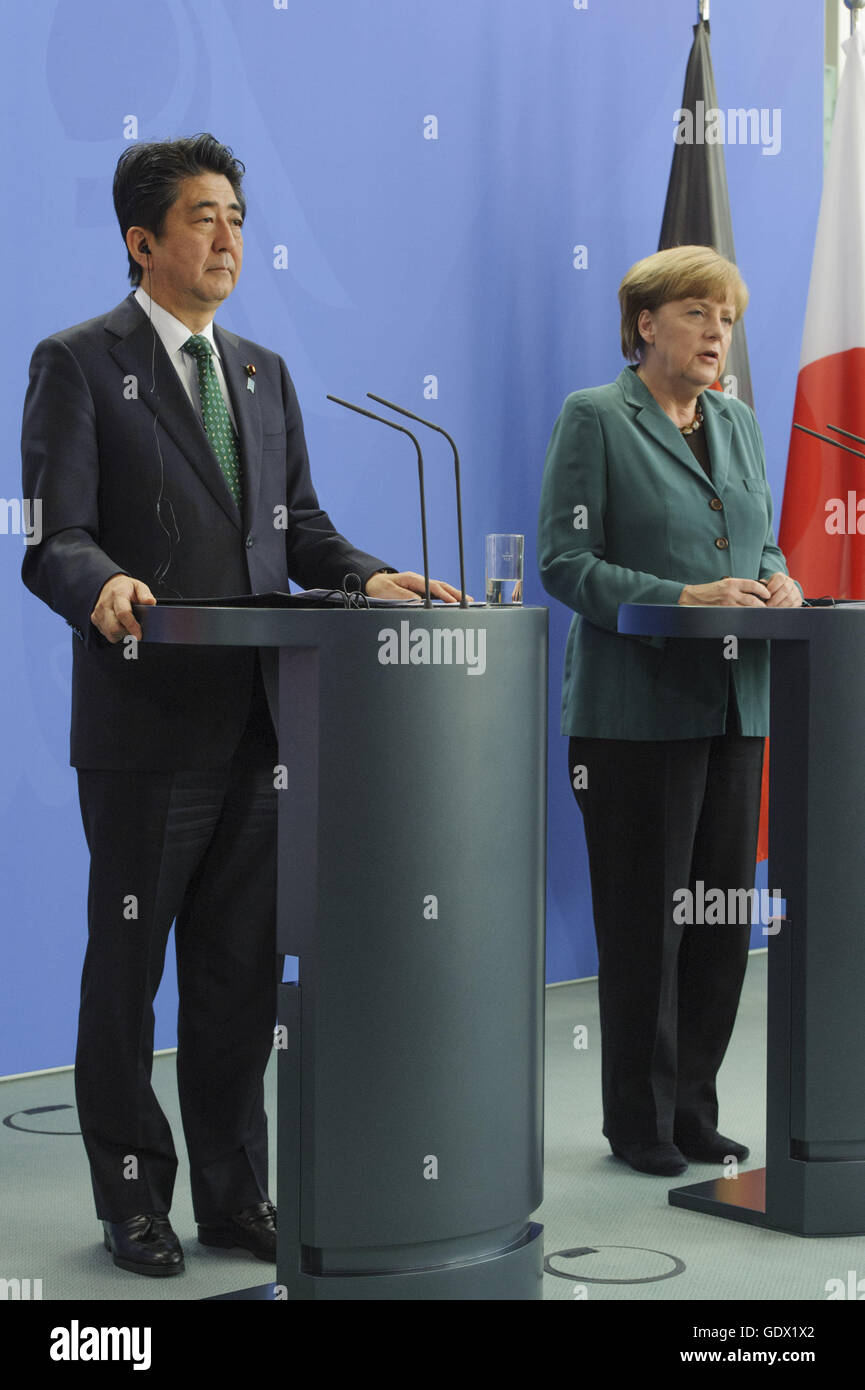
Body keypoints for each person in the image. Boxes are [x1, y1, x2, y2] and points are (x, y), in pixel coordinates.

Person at [21, 133, 463, 1276]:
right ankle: (132, 1198)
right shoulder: (76, 361)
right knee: (127, 976)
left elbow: (296, 529)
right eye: (205, 217)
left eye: (236, 216)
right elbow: (50, 533)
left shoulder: (259, 373)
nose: (229, 237)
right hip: (145, 725)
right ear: (142, 240)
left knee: (237, 977)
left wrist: (367, 574)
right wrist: (102, 581)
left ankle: (233, 1193)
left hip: (265, 728)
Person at [537, 245, 802, 1177]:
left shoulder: (736, 422)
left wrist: (778, 583)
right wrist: (680, 598)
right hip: (635, 711)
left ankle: (694, 1107)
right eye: (697, 314)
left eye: (724, 318)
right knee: (648, 921)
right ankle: (638, 1121)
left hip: (737, 703)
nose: (715, 334)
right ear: (646, 325)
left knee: (721, 916)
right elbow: (565, 565)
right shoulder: (595, 418)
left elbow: (761, 546)